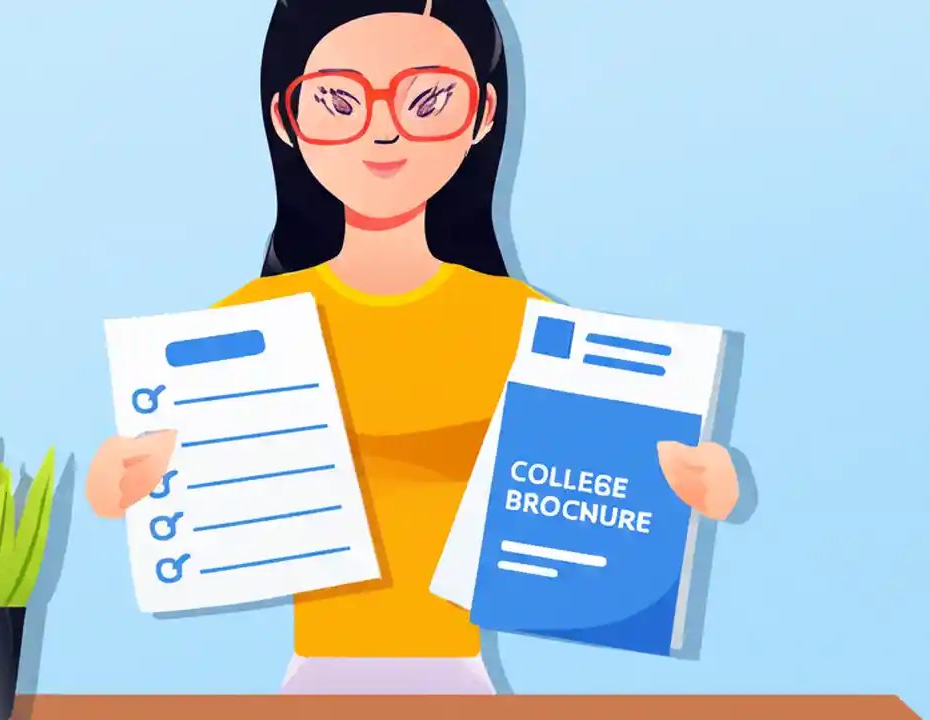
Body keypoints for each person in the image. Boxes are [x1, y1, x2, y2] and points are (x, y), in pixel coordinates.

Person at [86, 0, 740, 694]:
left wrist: (702, 487)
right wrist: (118, 480)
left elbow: (615, 497)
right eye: (339, 101)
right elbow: (157, 496)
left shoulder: (527, 330)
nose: (385, 131)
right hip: (318, 680)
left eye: (428, 100)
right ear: (287, 118)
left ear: (484, 114)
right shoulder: (247, 331)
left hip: (457, 678)